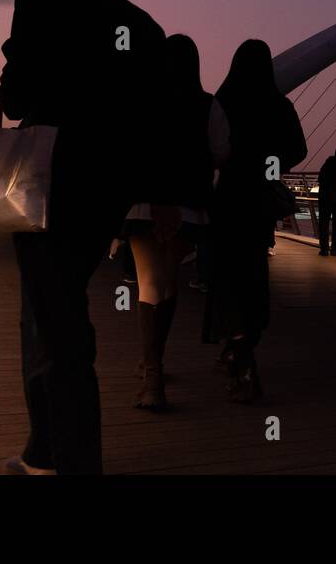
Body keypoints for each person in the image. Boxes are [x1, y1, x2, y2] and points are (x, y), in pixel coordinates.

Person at [0, 0, 166, 475]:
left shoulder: (36, 5)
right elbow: (153, 121)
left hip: (42, 183)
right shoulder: (144, 27)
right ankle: (44, 447)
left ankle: (70, 458)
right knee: (51, 306)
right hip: (107, 192)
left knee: (54, 318)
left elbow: (16, 99)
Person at [207, 40, 306, 403]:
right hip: (258, 203)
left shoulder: (223, 102)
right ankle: (244, 346)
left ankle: (236, 350)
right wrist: (270, 166)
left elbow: (210, 150)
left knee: (226, 275)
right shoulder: (278, 105)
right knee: (253, 273)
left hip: (226, 200)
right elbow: (298, 149)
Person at [123, 34, 214, 410]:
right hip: (188, 208)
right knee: (169, 282)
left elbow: (124, 147)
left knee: (148, 284)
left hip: (142, 207)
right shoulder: (208, 105)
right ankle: (154, 364)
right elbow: (222, 150)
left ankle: (152, 373)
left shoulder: (139, 98)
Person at [316, 146, 336, 256]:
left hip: (324, 197)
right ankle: (335, 247)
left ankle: (324, 248)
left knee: (324, 223)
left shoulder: (328, 163)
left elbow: (321, 178)